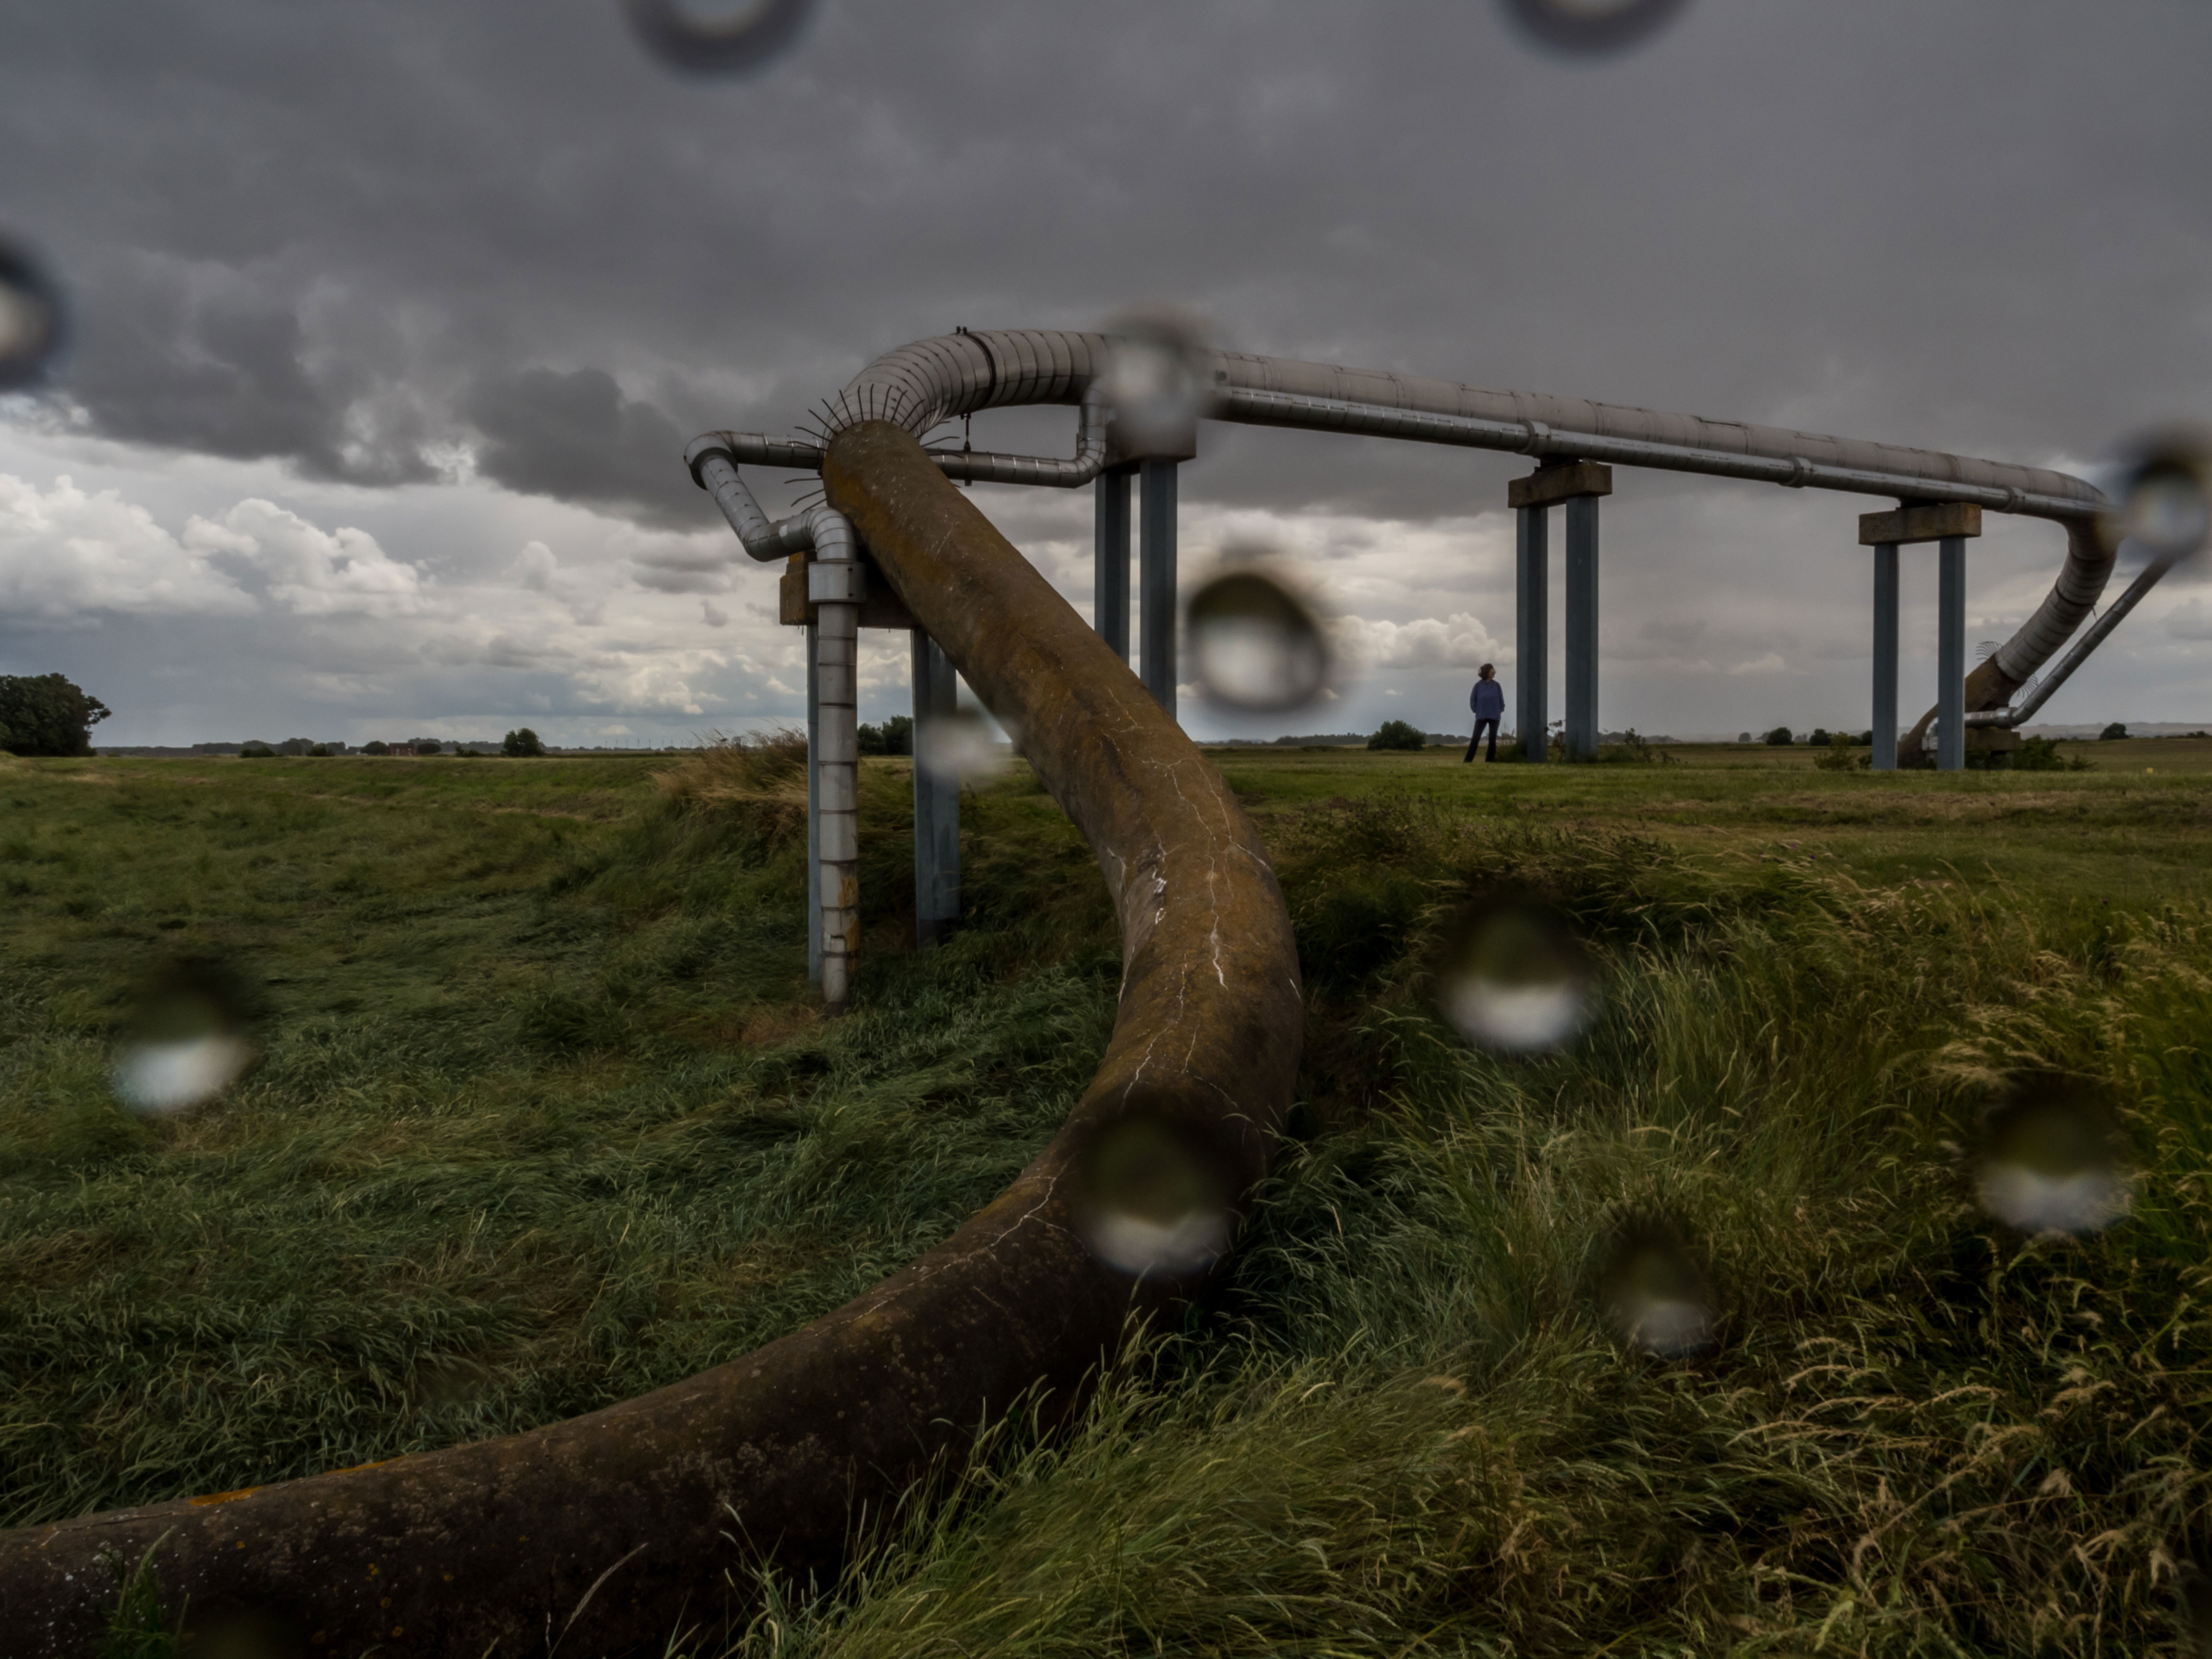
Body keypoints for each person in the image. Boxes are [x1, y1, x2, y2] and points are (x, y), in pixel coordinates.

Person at [1465, 664, 1504, 762]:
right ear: (1486, 672)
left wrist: (1500, 710)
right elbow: (1473, 700)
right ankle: (1468, 760)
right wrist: (1476, 710)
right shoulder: (1478, 686)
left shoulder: (1497, 686)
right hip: (1481, 716)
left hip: (1495, 716)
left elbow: (1501, 700)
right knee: (1475, 739)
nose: (1493, 673)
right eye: (1491, 671)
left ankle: (1490, 760)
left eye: (1494, 671)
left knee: (1492, 740)